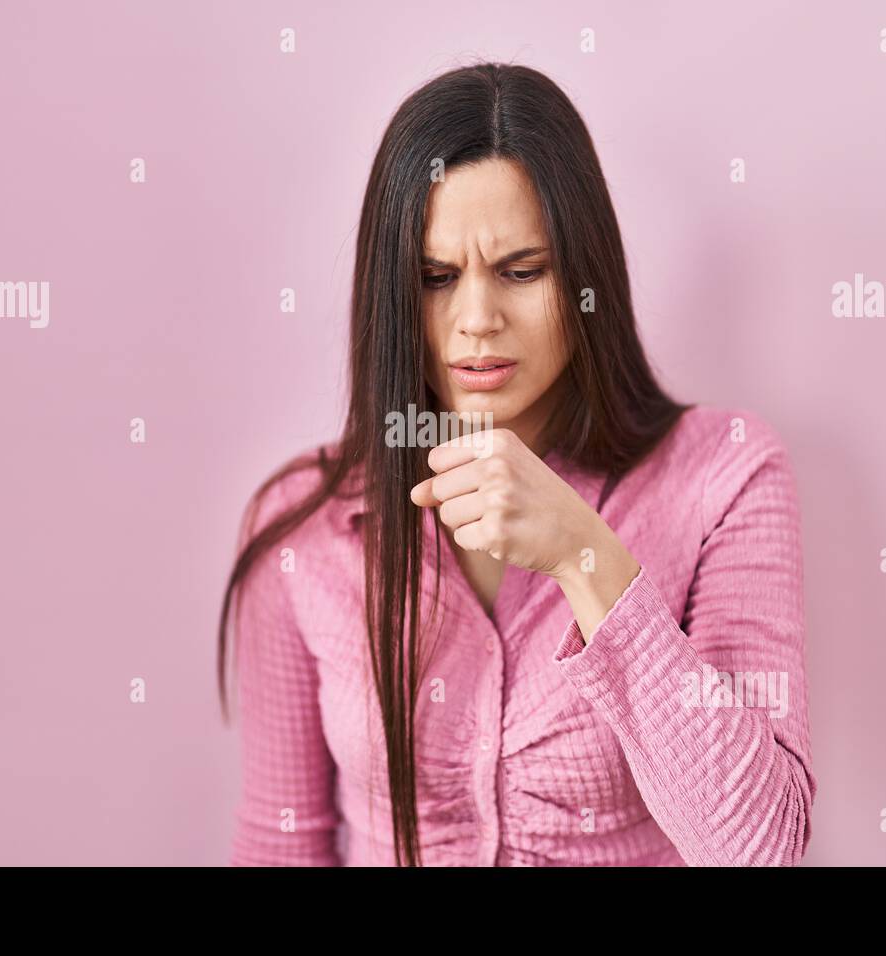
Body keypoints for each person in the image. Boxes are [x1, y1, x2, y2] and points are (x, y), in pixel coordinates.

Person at [219, 62, 816, 866]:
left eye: (521, 271)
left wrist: (586, 557)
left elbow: (763, 847)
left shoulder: (725, 476)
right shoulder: (303, 528)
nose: (476, 320)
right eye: (435, 279)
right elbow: (278, 844)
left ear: (584, 278)